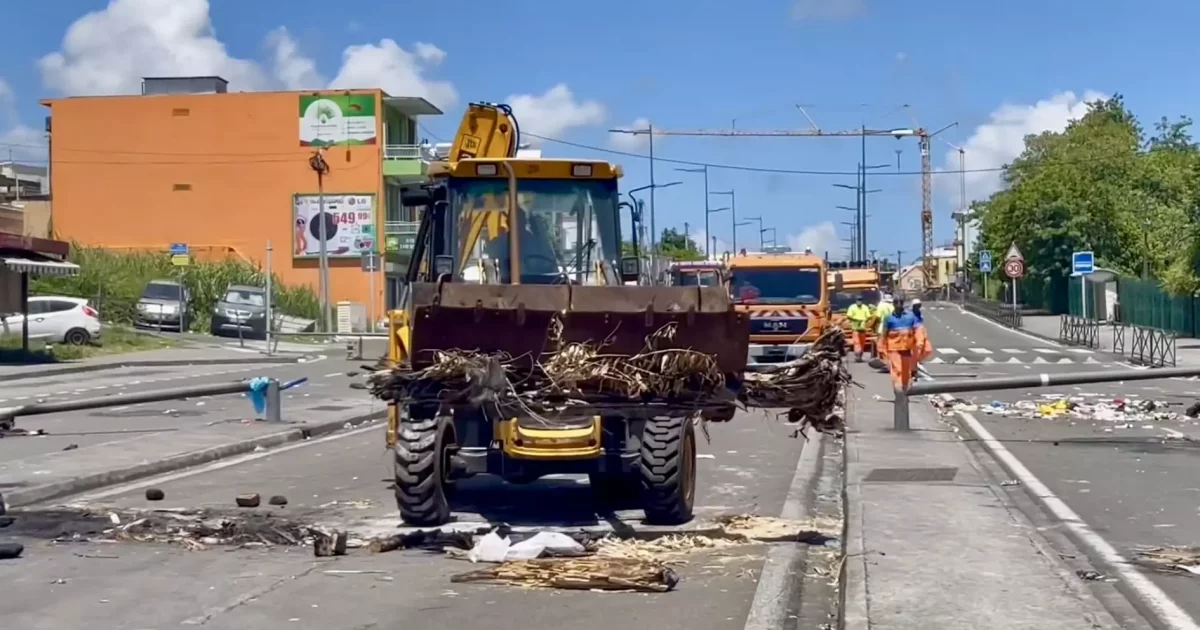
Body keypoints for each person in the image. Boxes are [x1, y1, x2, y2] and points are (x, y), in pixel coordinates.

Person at [877, 296, 932, 391]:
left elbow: (917, 330)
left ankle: (905, 390)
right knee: (898, 370)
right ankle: (899, 391)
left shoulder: (910, 317)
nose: (898, 305)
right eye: (896, 303)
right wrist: (881, 348)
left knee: (906, 372)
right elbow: (884, 335)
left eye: (900, 302)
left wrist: (919, 342)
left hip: (907, 349)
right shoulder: (889, 318)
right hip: (894, 349)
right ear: (893, 304)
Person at [845, 295, 872, 362]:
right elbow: (848, 316)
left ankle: (860, 356)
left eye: (860, 300)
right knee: (857, 343)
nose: (859, 301)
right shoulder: (852, 307)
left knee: (862, 343)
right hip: (855, 328)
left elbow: (869, 316)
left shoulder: (865, 307)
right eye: (858, 300)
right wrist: (856, 320)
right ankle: (857, 355)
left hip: (863, 329)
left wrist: (864, 320)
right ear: (856, 300)